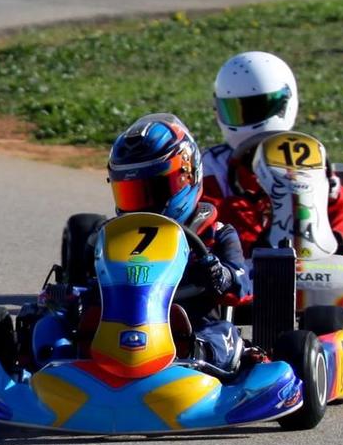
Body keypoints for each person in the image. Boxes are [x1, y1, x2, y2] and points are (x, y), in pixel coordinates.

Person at [105, 113, 252, 375]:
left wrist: (220, 275)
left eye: (152, 192)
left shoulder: (216, 234)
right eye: (131, 194)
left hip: (192, 325)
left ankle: (193, 356)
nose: (142, 206)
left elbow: (243, 288)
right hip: (117, 323)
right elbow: (81, 284)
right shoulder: (111, 237)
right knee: (50, 327)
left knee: (223, 337)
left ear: (188, 175)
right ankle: (55, 361)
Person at [202, 50, 343, 254]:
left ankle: (340, 254)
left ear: (286, 102)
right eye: (234, 110)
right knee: (229, 211)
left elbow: (341, 205)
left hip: (322, 248)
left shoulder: (304, 152)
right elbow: (207, 216)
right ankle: (264, 254)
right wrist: (248, 201)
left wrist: (329, 191)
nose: (246, 119)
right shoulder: (213, 166)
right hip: (250, 260)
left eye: (256, 108)